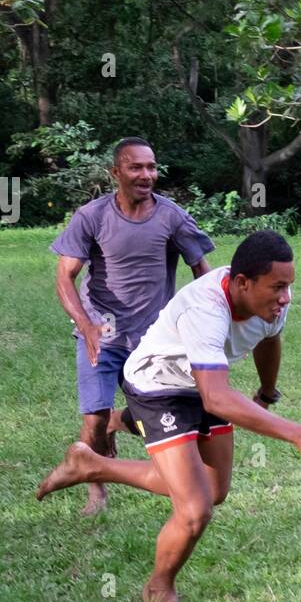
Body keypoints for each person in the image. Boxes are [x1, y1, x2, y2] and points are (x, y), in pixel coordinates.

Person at [37, 230, 301, 602]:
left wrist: (268, 390)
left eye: (289, 286)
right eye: (278, 287)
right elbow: (217, 398)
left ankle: (93, 463)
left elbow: (268, 340)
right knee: (194, 509)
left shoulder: (271, 301)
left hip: (205, 382)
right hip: (158, 386)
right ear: (242, 283)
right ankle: (159, 588)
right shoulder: (207, 308)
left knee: (213, 490)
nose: (286, 298)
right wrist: (297, 433)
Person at [50, 137, 214, 515]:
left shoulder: (172, 217)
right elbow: (64, 276)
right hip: (102, 335)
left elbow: (202, 273)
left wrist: (202, 323)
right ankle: (97, 491)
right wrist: (86, 324)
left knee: (159, 418)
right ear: (116, 173)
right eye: (136, 168)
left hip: (153, 340)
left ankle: (169, 472)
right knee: (93, 420)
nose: (147, 175)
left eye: (151, 167)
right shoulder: (92, 216)